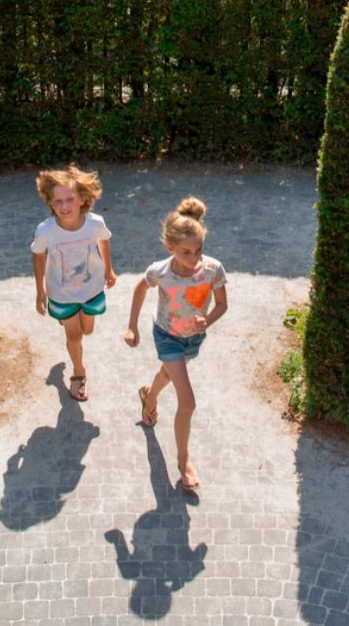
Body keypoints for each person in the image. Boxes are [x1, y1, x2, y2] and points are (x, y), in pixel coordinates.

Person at [124, 196, 228, 490]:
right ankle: (184, 461)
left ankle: (149, 395)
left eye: (199, 250)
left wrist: (207, 320)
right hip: (167, 335)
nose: (194, 258)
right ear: (169, 247)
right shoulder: (160, 271)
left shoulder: (213, 269)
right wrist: (132, 327)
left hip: (193, 338)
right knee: (188, 401)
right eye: (186, 252)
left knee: (168, 374)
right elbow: (138, 289)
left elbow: (221, 304)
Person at [31, 164, 115, 401]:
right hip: (61, 294)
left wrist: (109, 269)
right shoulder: (46, 230)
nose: (64, 206)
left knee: (87, 330)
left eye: (70, 199)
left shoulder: (95, 223)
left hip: (92, 289)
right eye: (58, 201)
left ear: (82, 199)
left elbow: (104, 241)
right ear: (50, 203)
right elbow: (37, 255)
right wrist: (40, 290)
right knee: (75, 336)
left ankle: (71, 326)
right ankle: (79, 373)